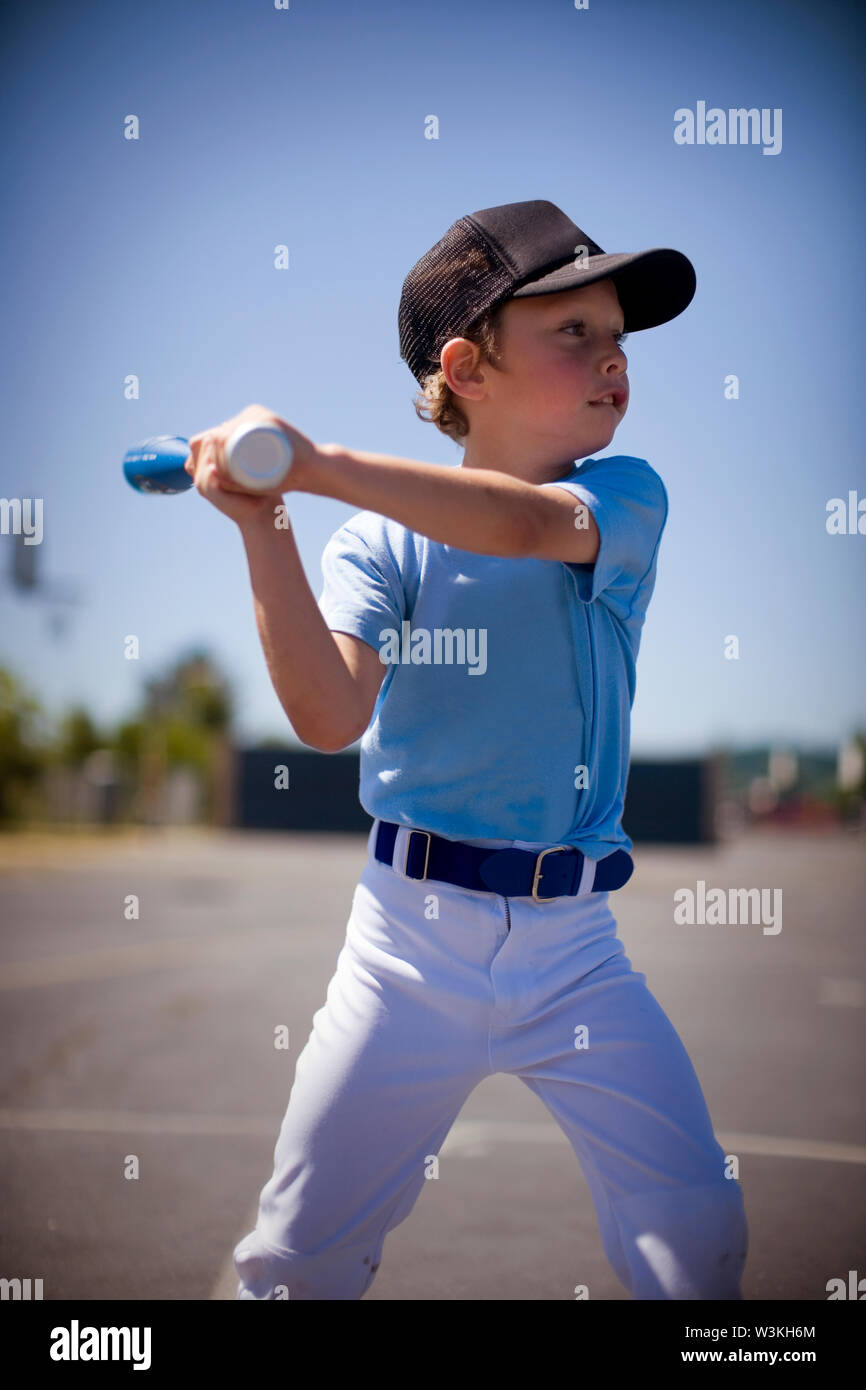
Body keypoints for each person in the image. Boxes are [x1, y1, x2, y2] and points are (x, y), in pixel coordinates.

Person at [185, 199, 749, 1300]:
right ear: (466, 365)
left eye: (617, 340)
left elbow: (519, 527)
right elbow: (328, 715)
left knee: (692, 1228)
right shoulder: (377, 541)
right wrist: (266, 523)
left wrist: (313, 463)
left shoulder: (620, 497)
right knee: (296, 1256)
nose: (612, 361)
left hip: (576, 950)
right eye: (572, 332)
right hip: (406, 948)